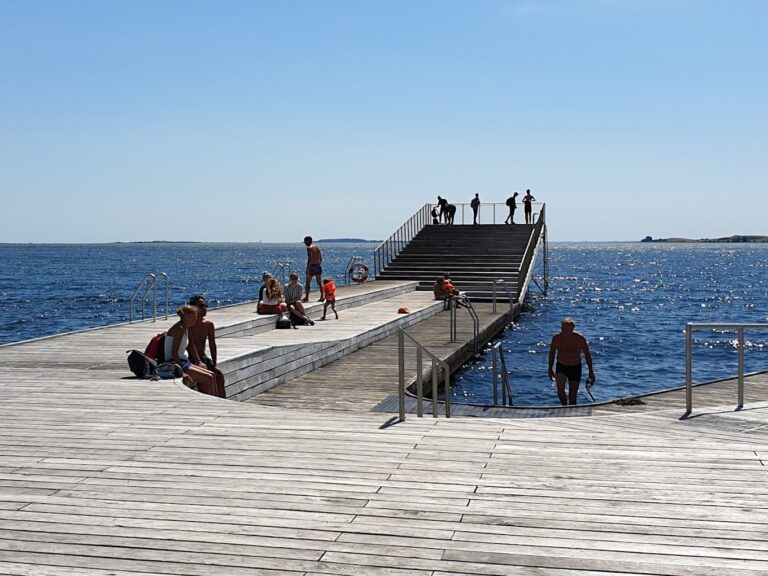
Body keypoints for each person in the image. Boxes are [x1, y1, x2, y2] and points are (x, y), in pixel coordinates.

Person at [165, 305, 223, 397]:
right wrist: (181, 372)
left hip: (184, 361)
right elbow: (174, 353)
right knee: (208, 378)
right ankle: (211, 404)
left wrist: (199, 362)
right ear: (186, 317)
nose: (196, 319)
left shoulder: (185, 328)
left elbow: (190, 346)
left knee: (212, 374)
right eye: (194, 316)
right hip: (175, 362)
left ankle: (216, 400)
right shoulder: (178, 329)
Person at [548, 318, 595, 406]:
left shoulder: (580, 338)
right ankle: (564, 407)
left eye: (566, 329)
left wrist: (591, 371)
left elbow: (587, 355)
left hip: (575, 367)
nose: (563, 330)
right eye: (562, 328)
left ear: (572, 329)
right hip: (561, 366)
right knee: (560, 389)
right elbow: (551, 354)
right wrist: (550, 369)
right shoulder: (556, 338)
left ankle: (571, 411)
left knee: (572, 396)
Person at [187, 295, 226, 398]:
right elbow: (191, 345)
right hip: (191, 358)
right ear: (194, 307)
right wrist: (198, 362)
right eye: (201, 306)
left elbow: (212, 344)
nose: (204, 309)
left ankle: (223, 401)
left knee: (219, 375)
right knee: (207, 375)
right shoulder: (190, 324)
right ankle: (211, 399)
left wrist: (214, 363)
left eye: (205, 306)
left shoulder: (208, 324)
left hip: (203, 357)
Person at [303, 236, 324, 302]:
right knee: (319, 282)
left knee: (308, 282)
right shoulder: (317, 247)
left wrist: (308, 267)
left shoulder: (309, 248)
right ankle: (322, 296)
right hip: (318, 265)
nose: (305, 243)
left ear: (308, 241)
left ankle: (307, 297)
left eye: (305, 241)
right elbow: (320, 258)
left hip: (312, 266)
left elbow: (310, 258)